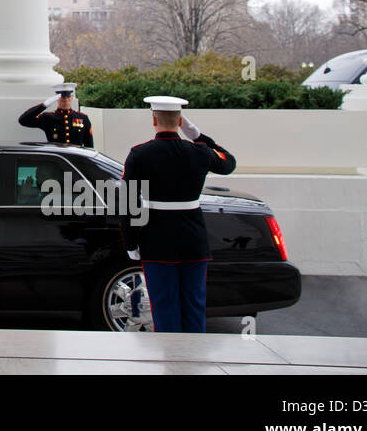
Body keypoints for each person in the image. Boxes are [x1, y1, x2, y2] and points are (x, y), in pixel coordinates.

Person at [121, 95, 236, 333]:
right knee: (194, 306)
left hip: (157, 240)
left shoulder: (140, 154)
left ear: (154, 120)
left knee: (164, 308)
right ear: (180, 121)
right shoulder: (201, 152)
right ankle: (193, 363)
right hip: (193, 239)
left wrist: (131, 241)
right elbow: (229, 163)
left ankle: (171, 363)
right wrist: (197, 135)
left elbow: (129, 201)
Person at [18, 82, 93, 147]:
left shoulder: (83, 118)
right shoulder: (48, 118)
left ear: (72, 97)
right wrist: (44, 105)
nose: (66, 100)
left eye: (68, 96)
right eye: (62, 97)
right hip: (57, 159)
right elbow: (23, 120)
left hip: (76, 159)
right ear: (57, 98)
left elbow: (89, 145)